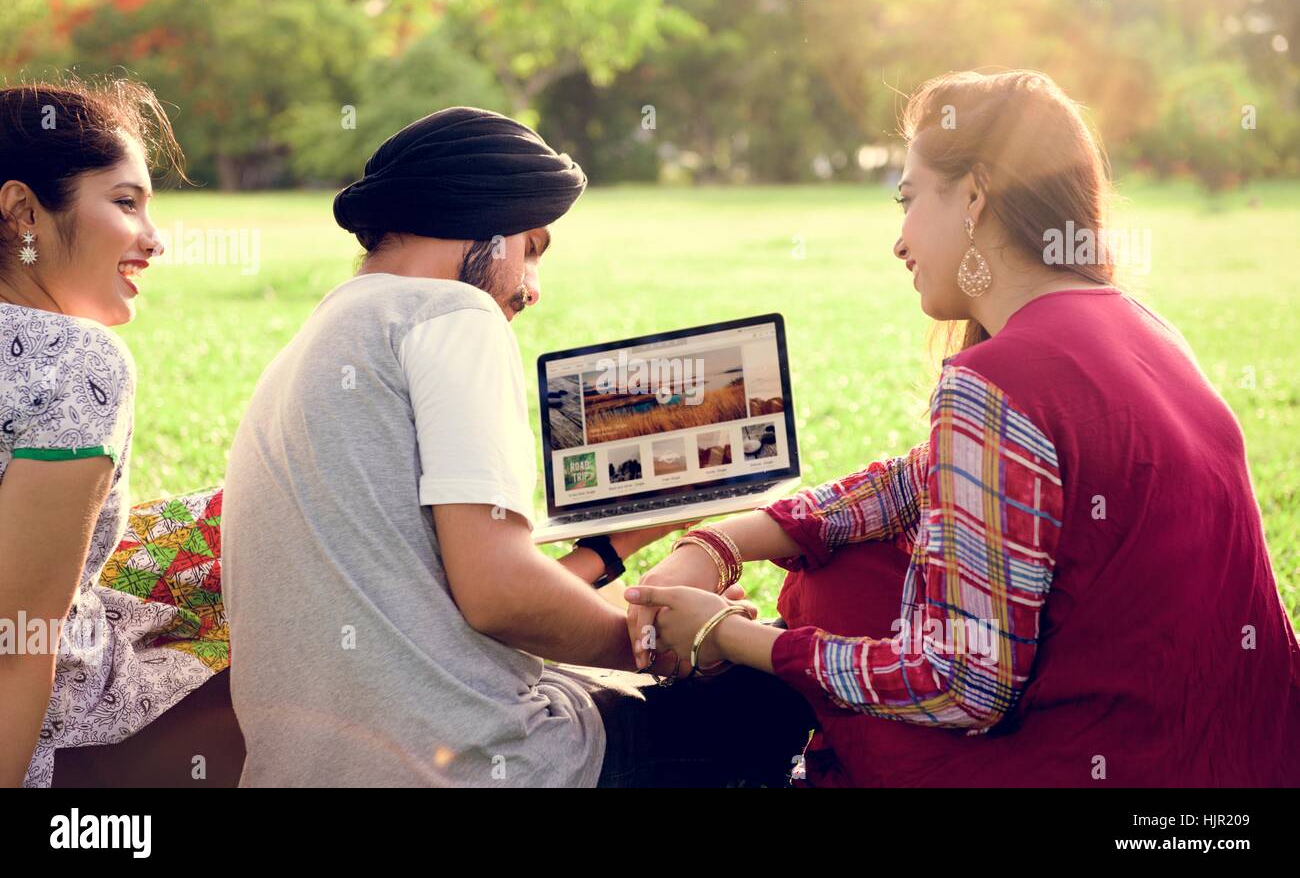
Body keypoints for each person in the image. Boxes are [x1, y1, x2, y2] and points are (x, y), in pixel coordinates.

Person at [626, 70, 1300, 788]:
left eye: (909, 199)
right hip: (1244, 757)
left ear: (974, 196)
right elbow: (916, 482)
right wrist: (717, 542)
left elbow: (963, 685)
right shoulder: (1137, 323)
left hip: (1123, 770)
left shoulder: (1002, 375)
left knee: (822, 595)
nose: (899, 241)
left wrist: (726, 633)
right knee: (853, 570)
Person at [221, 107, 813, 787]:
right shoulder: (452, 314)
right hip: (478, 766)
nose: (532, 288)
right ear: (482, 218)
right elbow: (499, 597)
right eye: (531, 247)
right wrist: (673, 644)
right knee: (767, 697)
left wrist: (612, 546)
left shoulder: (327, 333)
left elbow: (445, 608)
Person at [0, 78, 236, 788]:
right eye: (125, 202)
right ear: (22, 213)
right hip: (62, 719)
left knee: (230, 518)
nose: (154, 242)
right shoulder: (75, 363)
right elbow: (19, 643)